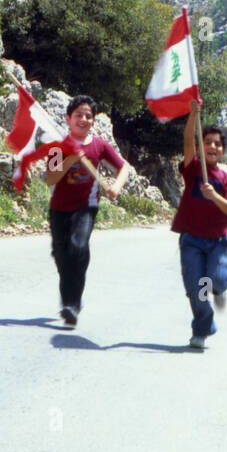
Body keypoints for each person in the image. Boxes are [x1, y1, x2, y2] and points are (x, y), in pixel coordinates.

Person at [44, 95, 131, 326]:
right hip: (59, 209)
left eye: (88, 116)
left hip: (86, 207)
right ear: (68, 119)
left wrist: (115, 186)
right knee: (62, 257)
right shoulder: (57, 146)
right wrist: (71, 156)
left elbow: (124, 168)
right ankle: (68, 299)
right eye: (78, 115)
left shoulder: (99, 145)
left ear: (93, 120)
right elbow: (50, 178)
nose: (84, 119)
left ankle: (72, 304)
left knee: (78, 247)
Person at [171, 99, 227, 350]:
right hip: (191, 239)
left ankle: (220, 289)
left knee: (217, 280)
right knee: (196, 288)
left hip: (217, 241)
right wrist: (193, 114)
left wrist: (214, 196)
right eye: (207, 142)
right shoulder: (192, 169)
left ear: (222, 150)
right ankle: (203, 327)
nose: (212, 146)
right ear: (200, 148)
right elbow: (187, 141)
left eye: (217, 144)